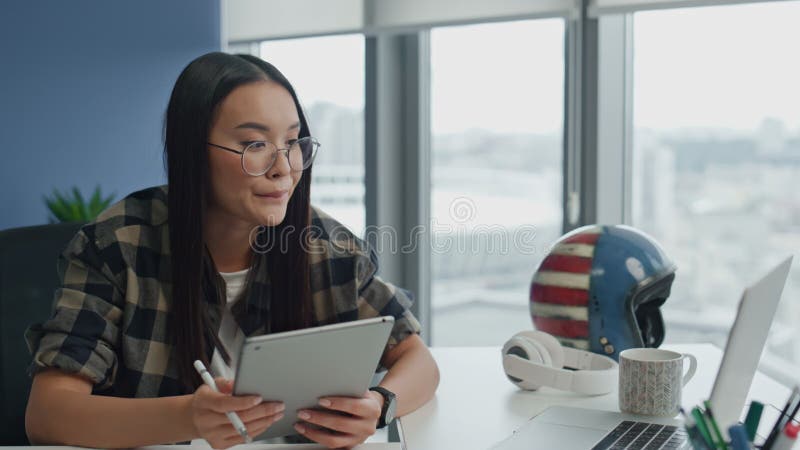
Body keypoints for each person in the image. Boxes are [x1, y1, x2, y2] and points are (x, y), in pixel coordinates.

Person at [24, 52, 439, 449]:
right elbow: (47, 415)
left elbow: (419, 361)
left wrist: (381, 404)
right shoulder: (118, 246)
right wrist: (189, 417)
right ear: (194, 152)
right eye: (255, 144)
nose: (284, 167)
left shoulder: (326, 246)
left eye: (293, 141)